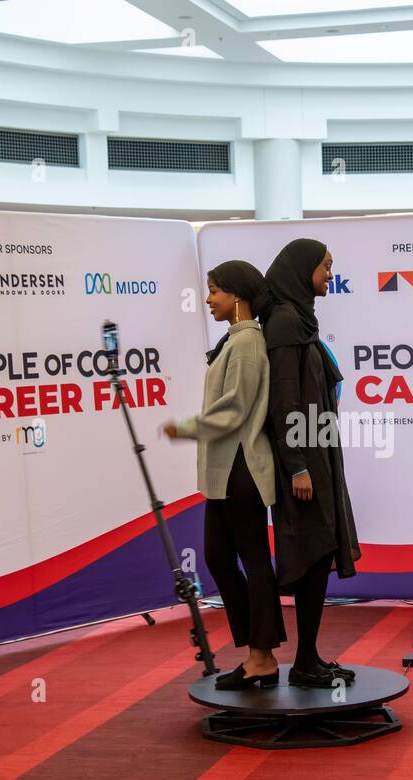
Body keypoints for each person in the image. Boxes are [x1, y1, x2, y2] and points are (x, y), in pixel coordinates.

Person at [163, 260, 286, 690]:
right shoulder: (234, 340)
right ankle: (256, 649)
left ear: (237, 295)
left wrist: (187, 427)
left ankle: (262, 656)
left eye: (214, 290)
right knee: (218, 557)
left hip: (242, 470)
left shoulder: (248, 341)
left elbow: (234, 409)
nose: (208, 298)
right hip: (224, 471)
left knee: (252, 561)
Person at [261, 238, 362, 689]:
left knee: (319, 553)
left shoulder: (300, 319)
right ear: (302, 270)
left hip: (318, 450)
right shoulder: (284, 323)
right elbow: (283, 402)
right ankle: (304, 662)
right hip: (304, 459)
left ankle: (309, 658)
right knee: (312, 553)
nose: (329, 274)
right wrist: (297, 466)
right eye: (325, 266)